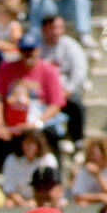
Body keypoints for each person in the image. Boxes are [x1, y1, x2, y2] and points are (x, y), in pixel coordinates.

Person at [0, 32, 65, 168]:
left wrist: (37, 123)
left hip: (38, 121)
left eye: (31, 50)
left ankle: (51, 175)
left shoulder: (48, 70)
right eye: (24, 50)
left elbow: (56, 104)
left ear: (38, 50)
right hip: (13, 123)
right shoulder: (7, 68)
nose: (28, 54)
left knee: (50, 135)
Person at [37, 13, 85, 148]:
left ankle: (77, 140)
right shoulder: (36, 48)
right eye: (52, 28)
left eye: (58, 28)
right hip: (42, 96)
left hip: (64, 93)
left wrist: (67, 90)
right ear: (44, 30)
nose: (55, 32)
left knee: (76, 105)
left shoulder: (70, 46)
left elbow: (79, 72)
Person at [1, 128, 57, 206]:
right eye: (26, 143)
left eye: (32, 144)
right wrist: (23, 202)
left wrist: (35, 201)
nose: (29, 147)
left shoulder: (48, 159)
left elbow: (53, 187)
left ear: (38, 144)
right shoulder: (11, 160)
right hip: (17, 201)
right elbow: (9, 188)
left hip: (41, 199)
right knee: (8, 204)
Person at [69, 131, 107, 206]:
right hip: (90, 201)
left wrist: (98, 175)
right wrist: (101, 197)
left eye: (93, 154)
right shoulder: (84, 169)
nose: (90, 157)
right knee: (81, 204)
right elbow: (78, 195)